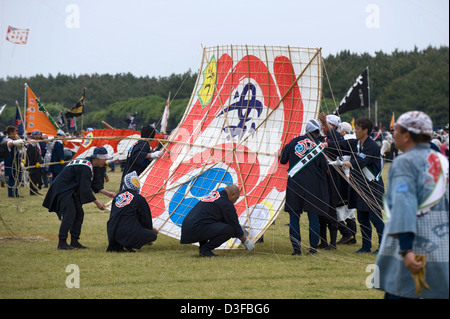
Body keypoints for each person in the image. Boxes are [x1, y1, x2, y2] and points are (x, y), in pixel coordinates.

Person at [375, 111, 449, 299]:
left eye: (396, 130)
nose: (394, 135)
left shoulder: (404, 163)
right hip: (441, 246)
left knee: (403, 290)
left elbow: (403, 206)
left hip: (412, 248)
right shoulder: (443, 162)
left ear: (407, 135)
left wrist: (406, 249)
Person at [325, 118, 385, 254]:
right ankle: (366, 246)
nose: (355, 131)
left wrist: (343, 163)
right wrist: (327, 145)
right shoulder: (357, 143)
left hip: (372, 186)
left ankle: (383, 247)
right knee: (362, 218)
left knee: (375, 218)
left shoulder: (371, 146)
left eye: (358, 129)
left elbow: (360, 162)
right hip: (360, 185)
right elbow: (342, 144)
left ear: (365, 131)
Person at [278, 119, 329, 255]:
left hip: (295, 183)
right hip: (314, 185)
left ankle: (296, 249)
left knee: (294, 216)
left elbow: (283, 159)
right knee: (313, 217)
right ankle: (313, 249)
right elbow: (324, 167)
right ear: (317, 131)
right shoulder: (319, 145)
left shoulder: (294, 141)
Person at [43, 146, 109, 250]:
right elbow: (85, 189)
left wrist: (108, 193)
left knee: (79, 214)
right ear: (95, 158)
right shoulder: (86, 167)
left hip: (71, 190)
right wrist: (97, 203)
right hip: (63, 189)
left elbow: (95, 184)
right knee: (70, 214)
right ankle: (62, 243)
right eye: (103, 159)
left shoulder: (93, 166)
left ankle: (74, 241)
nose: (105, 161)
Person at [180, 184, 255, 257]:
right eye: (237, 198)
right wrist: (245, 241)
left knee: (209, 222)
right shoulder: (226, 203)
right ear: (232, 194)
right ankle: (205, 249)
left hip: (188, 226)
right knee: (229, 230)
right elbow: (234, 225)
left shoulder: (214, 195)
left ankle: (203, 248)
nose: (236, 200)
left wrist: (238, 228)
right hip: (196, 228)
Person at [107, 171, 158, 252]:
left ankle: (121, 243)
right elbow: (145, 218)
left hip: (113, 232)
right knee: (152, 235)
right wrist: (150, 229)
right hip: (129, 232)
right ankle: (129, 243)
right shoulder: (139, 198)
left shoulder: (117, 196)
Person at [4, 126, 25, 197]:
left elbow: (20, 146)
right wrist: (17, 141)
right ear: (10, 133)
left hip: (16, 161)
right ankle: (12, 194)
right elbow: (10, 144)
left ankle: (14, 193)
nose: (16, 133)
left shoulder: (13, 139)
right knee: (13, 178)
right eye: (14, 132)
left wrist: (18, 140)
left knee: (15, 177)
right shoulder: (7, 140)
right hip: (10, 162)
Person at [26, 130, 43, 195]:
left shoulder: (36, 142)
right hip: (33, 163)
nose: (39, 136)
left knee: (37, 177)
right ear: (34, 135)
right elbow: (31, 154)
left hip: (37, 163)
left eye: (40, 134)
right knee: (33, 178)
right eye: (38, 134)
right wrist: (36, 162)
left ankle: (35, 190)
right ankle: (33, 191)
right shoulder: (31, 143)